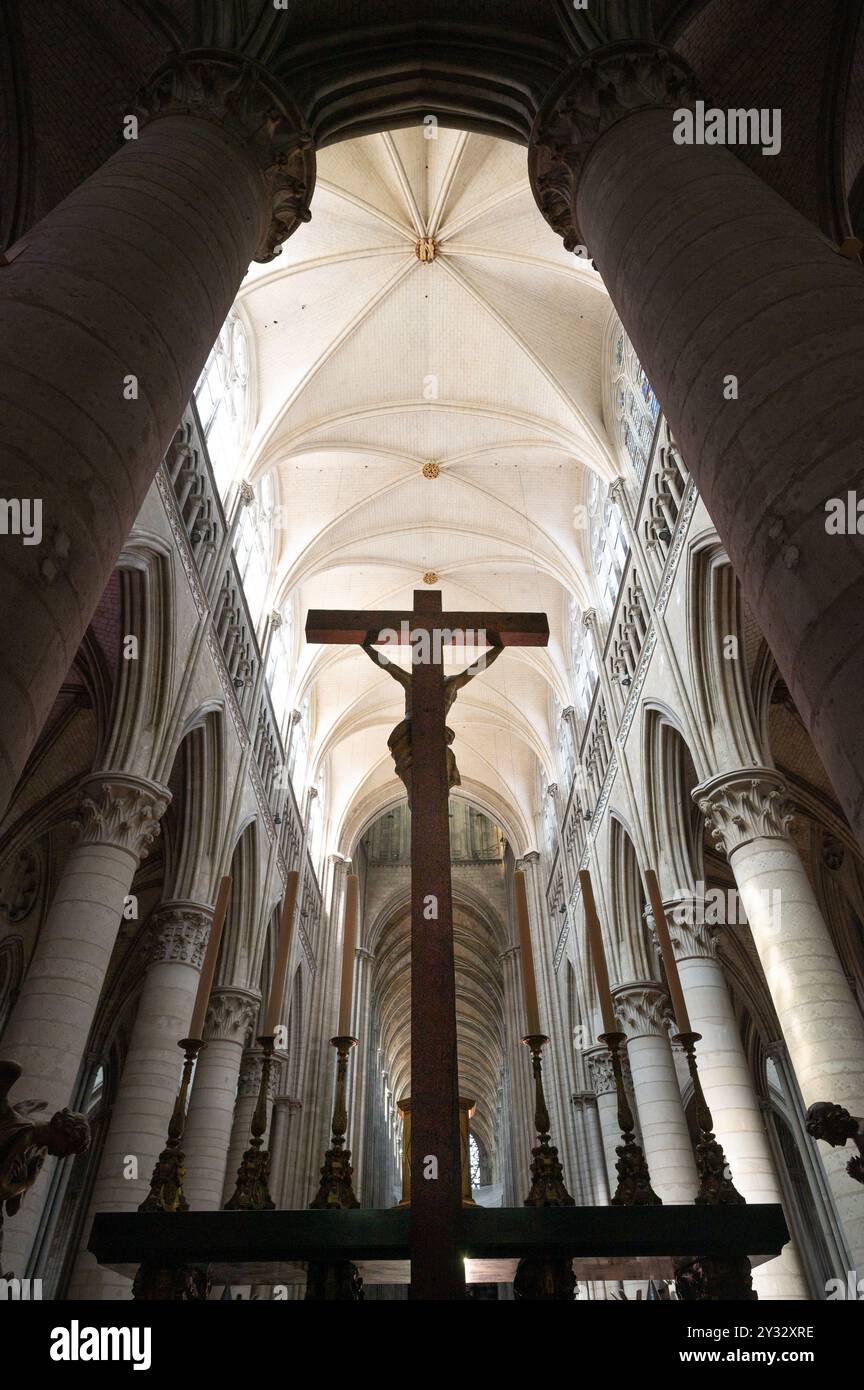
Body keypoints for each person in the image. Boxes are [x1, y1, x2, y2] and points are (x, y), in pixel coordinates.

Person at [361, 633, 504, 802]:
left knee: (426, 782)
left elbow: (387, 665)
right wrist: (498, 649)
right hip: (417, 732)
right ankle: (423, 804)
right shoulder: (449, 683)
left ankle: (422, 803)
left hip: (414, 732)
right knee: (428, 781)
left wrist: (366, 647)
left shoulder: (419, 681)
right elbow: (477, 667)